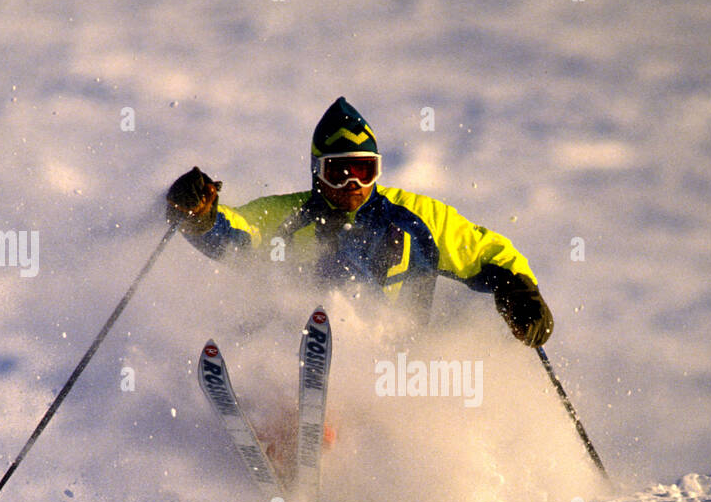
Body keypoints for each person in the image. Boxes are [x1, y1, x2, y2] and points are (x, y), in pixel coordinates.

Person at [164, 97, 553, 346]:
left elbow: (481, 248)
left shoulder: (416, 218)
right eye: (338, 171)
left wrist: (520, 292)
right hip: (296, 357)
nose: (352, 183)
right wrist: (201, 214)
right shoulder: (287, 215)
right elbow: (237, 233)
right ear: (317, 172)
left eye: (364, 170)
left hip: (395, 368)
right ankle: (281, 430)